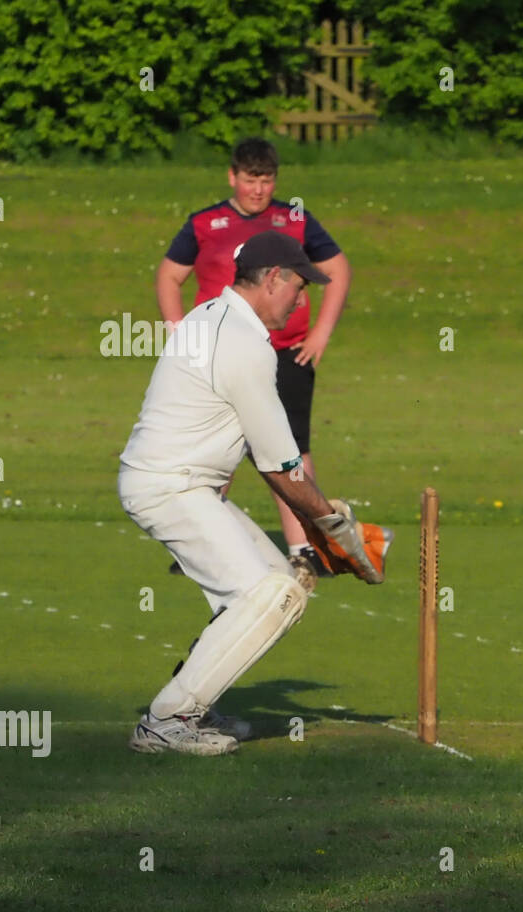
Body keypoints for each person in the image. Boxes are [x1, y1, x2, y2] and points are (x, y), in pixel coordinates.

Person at [121, 232, 385, 756]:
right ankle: (166, 722)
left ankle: (195, 702)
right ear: (272, 280)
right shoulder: (243, 346)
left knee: (271, 587)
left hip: (182, 482)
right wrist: (335, 526)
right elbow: (282, 471)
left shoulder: (210, 316)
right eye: (298, 287)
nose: (301, 300)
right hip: (171, 486)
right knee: (275, 595)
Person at [156, 137, 355, 580]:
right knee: (214, 446)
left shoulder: (295, 219)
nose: (259, 189)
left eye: (267, 180)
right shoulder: (206, 222)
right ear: (233, 177)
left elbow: (338, 269)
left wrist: (321, 332)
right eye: (250, 179)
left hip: (286, 353)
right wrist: (178, 333)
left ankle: (305, 548)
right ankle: (197, 543)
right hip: (219, 351)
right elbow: (170, 276)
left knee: (291, 449)